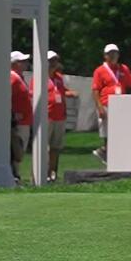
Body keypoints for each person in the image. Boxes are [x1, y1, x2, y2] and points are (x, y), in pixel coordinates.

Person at [90, 43, 131, 165]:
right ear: (105, 56)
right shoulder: (100, 71)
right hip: (106, 104)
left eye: (115, 53)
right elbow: (95, 90)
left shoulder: (123, 69)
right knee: (108, 133)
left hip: (121, 105)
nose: (113, 56)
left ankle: (107, 154)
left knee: (119, 132)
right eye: (110, 54)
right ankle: (107, 154)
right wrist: (99, 107)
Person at [47, 51, 76, 182]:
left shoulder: (58, 77)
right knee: (45, 147)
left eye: (55, 60)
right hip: (47, 116)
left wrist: (70, 93)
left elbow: (62, 91)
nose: (53, 63)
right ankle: (42, 172)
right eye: (50, 61)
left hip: (60, 116)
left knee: (56, 147)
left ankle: (53, 172)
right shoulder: (40, 77)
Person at [10, 51, 33, 183]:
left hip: (25, 120)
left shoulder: (19, 77)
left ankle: (16, 174)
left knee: (20, 149)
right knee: (16, 149)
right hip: (19, 121)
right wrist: (13, 114)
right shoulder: (12, 78)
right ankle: (14, 175)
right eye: (22, 61)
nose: (25, 64)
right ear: (14, 64)